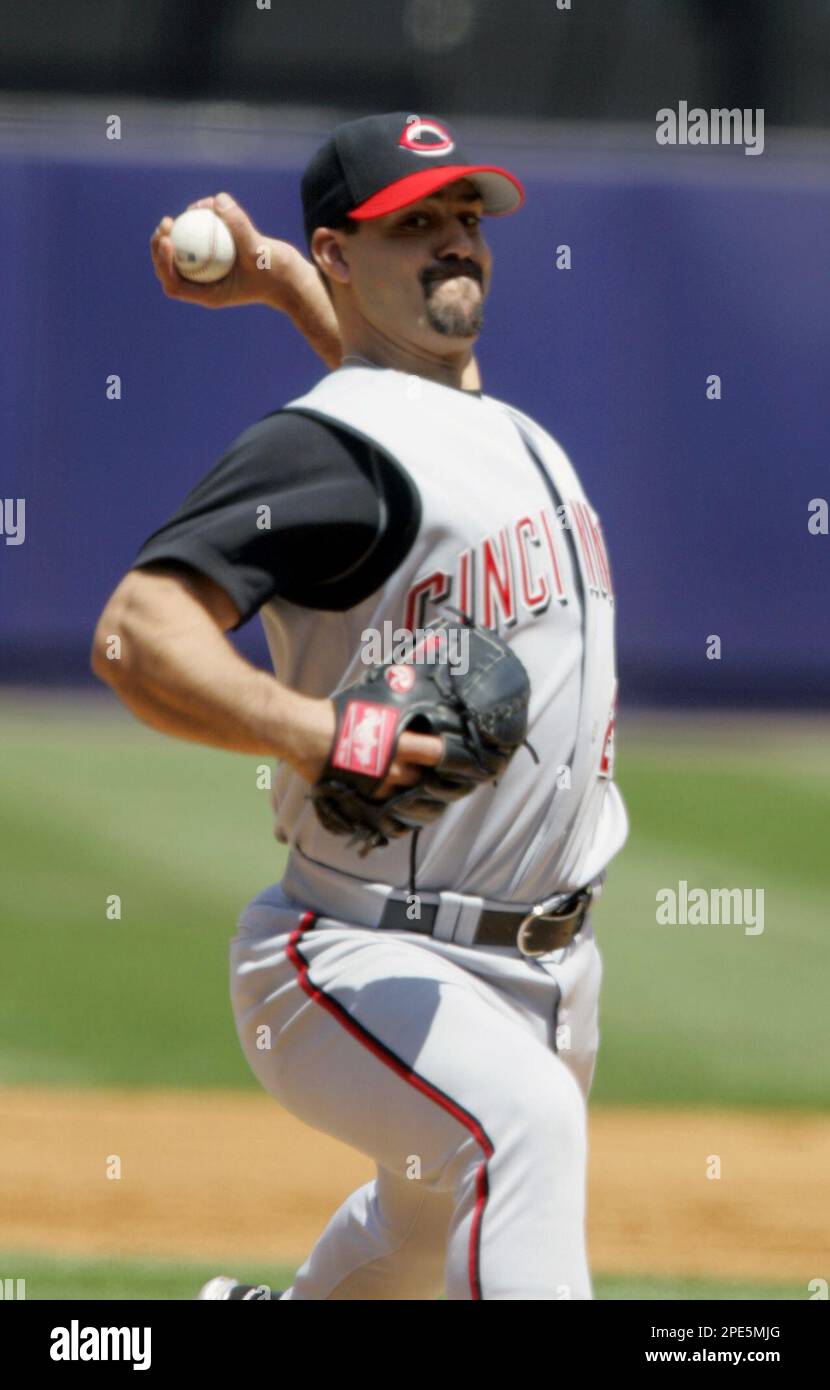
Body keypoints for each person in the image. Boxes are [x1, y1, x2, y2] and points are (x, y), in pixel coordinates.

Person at [93, 112, 628, 1300]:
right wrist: (324, 730)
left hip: (548, 969)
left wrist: (282, 280)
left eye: (463, 219)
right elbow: (137, 632)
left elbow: (401, 396)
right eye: (412, 224)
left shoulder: (488, 429)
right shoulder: (320, 448)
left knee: (419, 1231)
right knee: (516, 1133)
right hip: (358, 947)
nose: (453, 244)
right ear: (346, 249)